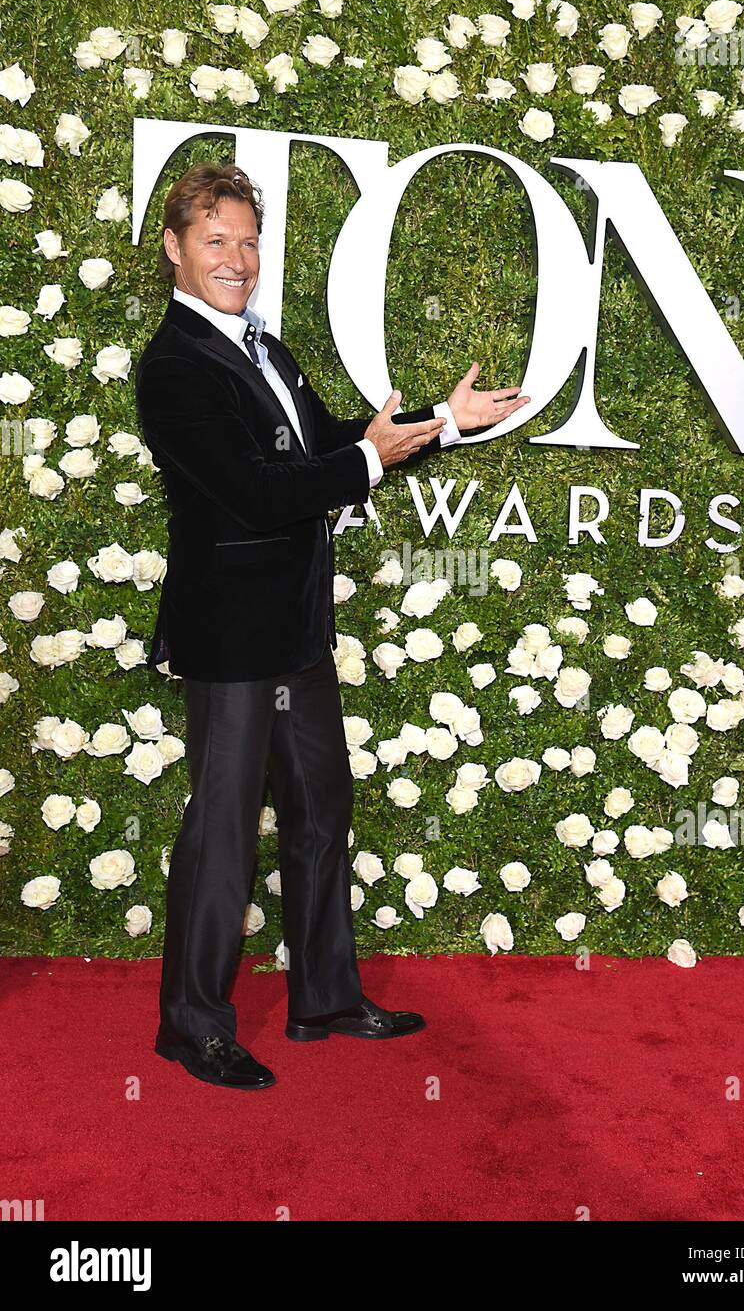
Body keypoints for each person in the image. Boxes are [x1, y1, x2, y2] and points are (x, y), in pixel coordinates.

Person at [135, 162, 529, 1090]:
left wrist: (443, 422)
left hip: (297, 634)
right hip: (232, 642)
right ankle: (191, 1025)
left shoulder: (267, 351)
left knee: (319, 812)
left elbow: (332, 448)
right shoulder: (175, 367)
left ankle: (322, 996)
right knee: (223, 833)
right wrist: (364, 459)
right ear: (175, 251)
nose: (237, 258)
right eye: (216, 240)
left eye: (247, 239)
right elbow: (253, 492)